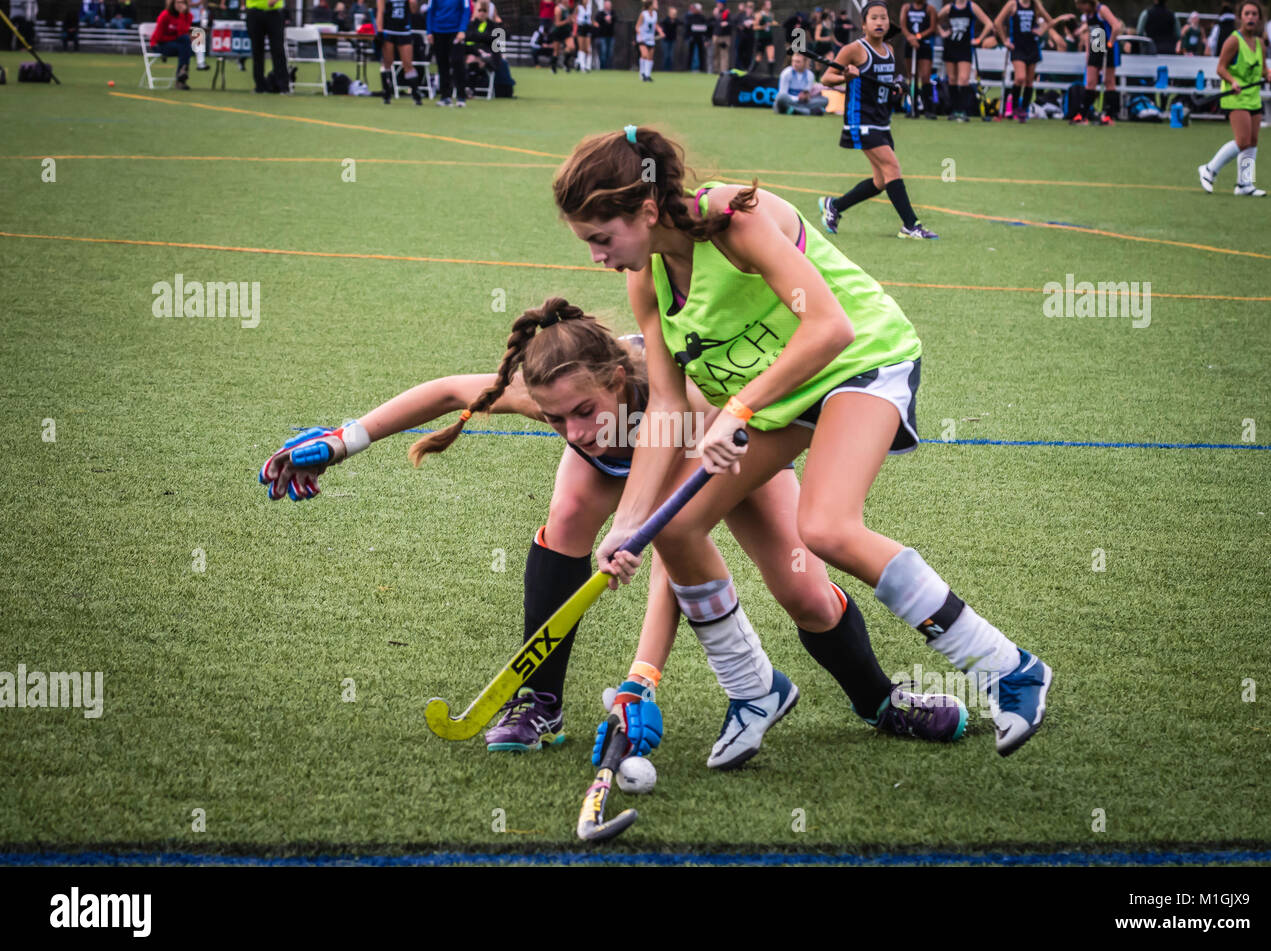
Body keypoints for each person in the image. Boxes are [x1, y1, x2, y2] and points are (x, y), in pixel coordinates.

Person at [260, 299, 966, 761]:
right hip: (630, 473)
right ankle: (540, 702)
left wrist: (641, 677)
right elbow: (451, 390)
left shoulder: (678, 402)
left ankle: (880, 700)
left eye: (584, 411)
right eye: (556, 417)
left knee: (803, 593)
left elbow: (678, 552)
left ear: (617, 376)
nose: (572, 428)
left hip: (724, 453)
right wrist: (344, 439)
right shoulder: (564, 397)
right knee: (568, 512)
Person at [554, 125, 1053, 759]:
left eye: (602, 238)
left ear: (646, 210)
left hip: (861, 363)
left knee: (826, 527)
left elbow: (829, 327)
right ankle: (754, 690)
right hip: (783, 397)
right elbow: (670, 406)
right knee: (674, 529)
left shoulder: (736, 219)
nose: (596, 255)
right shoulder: (648, 278)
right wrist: (628, 524)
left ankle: (1010, 670)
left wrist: (737, 409)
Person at [819, 1, 938, 240]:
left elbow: (884, 83)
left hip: (882, 119)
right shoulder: (854, 49)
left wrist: (898, 87)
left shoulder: (890, 50)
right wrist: (845, 75)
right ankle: (911, 225)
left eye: (883, 18)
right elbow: (826, 78)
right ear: (864, 24)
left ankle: (835, 206)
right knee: (892, 168)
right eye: (874, 18)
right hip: (860, 119)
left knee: (882, 180)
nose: (880, 22)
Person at [1198, 0, 1271, 197]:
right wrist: (1232, 81)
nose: (1251, 17)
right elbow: (1220, 68)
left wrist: (1269, 74)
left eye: (1254, 14)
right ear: (1241, 17)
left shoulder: (1260, 44)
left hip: (1252, 97)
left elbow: (1263, 69)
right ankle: (1209, 169)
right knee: (1242, 141)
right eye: (1247, 13)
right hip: (1235, 97)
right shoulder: (1233, 41)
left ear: (1259, 18)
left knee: (1252, 141)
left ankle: (1244, 184)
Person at [994, 0, 1054, 121]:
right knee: (1020, 78)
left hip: (1032, 47)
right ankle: (1016, 107)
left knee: (1029, 81)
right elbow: (997, 21)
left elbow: (1050, 21)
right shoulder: (1013, 4)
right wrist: (1005, 40)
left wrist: (1041, 31)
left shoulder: (1035, 4)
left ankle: (1024, 110)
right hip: (1017, 47)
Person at [937, 1, 995, 120]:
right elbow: (934, 21)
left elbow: (989, 24)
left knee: (963, 79)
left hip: (965, 48)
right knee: (952, 79)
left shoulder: (971, 6)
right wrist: (942, 32)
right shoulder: (949, 8)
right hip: (951, 46)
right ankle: (954, 110)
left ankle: (963, 111)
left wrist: (979, 39)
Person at [1071, 0, 1125, 125]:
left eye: (1082, 6)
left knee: (1109, 81)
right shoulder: (1088, 15)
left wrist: (1110, 42)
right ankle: (1082, 115)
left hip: (1108, 48)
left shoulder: (1102, 9)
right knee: (1090, 82)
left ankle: (1110, 116)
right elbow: (1091, 33)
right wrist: (1088, 52)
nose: (1081, 9)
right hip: (1096, 46)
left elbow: (1116, 26)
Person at [376, 0, 424, 104]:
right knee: (388, 61)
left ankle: (415, 94)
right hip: (388, 30)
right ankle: (386, 93)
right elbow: (380, 11)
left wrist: (413, 2)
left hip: (404, 30)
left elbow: (414, 11)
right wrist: (379, 30)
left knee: (407, 63)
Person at [900, 0, 939, 118]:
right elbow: (903, 26)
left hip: (925, 45)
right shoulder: (906, 7)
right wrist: (910, 38)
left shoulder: (930, 9)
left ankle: (928, 109)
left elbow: (933, 27)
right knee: (912, 76)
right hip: (910, 45)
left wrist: (919, 36)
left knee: (925, 76)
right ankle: (912, 108)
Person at [427, 0, 470, 105]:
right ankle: (445, 96)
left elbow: (466, 10)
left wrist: (462, 30)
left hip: (455, 32)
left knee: (457, 61)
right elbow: (430, 11)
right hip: (438, 32)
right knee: (442, 64)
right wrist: (429, 31)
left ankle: (461, 97)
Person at [246, 0, 291, 93]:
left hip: (274, 12)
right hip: (254, 12)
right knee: (257, 50)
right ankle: (260, 86)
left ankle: (282, 86)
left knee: (278, 50)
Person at [150, 0, 195, 90]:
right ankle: (181, 77)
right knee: (185, 47)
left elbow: (182, 32)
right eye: (178, 2)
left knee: (185, 42)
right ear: (173, 4)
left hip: (177, 44)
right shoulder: (165, 15)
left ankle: (182, 73)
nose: (180, 5)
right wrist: (175, 38)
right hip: (160, 45)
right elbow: (159, 38)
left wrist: (182, 15)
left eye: (183, 3)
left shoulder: (188, 16)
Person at [635, 0, 665, 81]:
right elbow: (637, 27)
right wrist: (640, 36)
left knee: (650, 58)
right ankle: (642, 74)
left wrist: (660, 31)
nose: (657, 4)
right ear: (650, 5)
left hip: (651, 39)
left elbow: (655, 24)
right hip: (642, 38)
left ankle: (648, 75)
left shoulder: (655, 14)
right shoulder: (643, 14)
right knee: (644, 55)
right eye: (655, 3)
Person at [753, 0, 776, 73]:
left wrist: (775, 24)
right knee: (758, 58)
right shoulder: (759, 15)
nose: (770, 4)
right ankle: (750, 73)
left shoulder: (771, 14)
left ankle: (771, 77)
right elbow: (754, 27)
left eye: (770, 3)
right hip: (760, 39)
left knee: (771, 57)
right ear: (763, 5)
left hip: (769, 38)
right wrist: (763, 26)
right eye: (768, 3)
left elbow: (771, 23)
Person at [686, 2, 709, 71]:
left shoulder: (702, 17)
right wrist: (689, 36)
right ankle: (688, 68)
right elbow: (688, 27)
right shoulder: (689, 17)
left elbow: (705, 28)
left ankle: (701, 69)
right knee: (690, 53)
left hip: (700, 38)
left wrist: (705, 39)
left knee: (701, 54)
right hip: (692, 38)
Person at [595, 0, 617, 68]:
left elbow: (616, 18)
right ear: (604, 5)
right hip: (602, 36)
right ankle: (602, 67)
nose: (608, 6)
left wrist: (610, 18)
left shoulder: (613, 13)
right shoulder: (600, 13)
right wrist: (605, 19)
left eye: (609, 5)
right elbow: (597, 20)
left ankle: (609, 67)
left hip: (611, 36)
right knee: (603, 52)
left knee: (610, 53)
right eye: (606, 5)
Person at [709, 0, 730, 72]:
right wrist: (715, 16)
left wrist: (727, 24)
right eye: (717, 3)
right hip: (716, 36)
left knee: (724, 54)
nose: (718, 4)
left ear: (723, 4)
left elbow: (732, 23)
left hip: (725, 37)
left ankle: (723, 71)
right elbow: (710, 23)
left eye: (719, 3)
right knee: (715, 54)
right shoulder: (716, 12)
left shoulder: (727, 12)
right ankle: (715, 70)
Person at [660, 4, 680, 69]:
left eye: (675, 13)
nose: (674, 14)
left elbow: (682, 23)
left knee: (671, 56)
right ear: (669, 13)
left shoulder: (676, 21)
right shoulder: (666, 20)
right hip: (665, 40)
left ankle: (669, 69)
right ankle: (665, 69)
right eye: (673, 13)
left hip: (672, 40)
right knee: (666, 55)